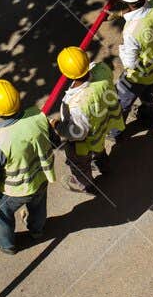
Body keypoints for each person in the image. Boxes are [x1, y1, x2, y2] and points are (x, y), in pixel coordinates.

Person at [0, 78, 56, 254]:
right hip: (41, 178)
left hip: (15, 190)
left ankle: (5, 244)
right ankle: (37, 230)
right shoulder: (38, 116)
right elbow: (54, 141)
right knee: (38, 205)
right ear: (18, 98)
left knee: (2, 215)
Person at [52, 46, 124, 193]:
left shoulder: (76, 104)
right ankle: (104, 166)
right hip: (101, 128)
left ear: (65, 74)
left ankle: (85, 184)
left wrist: (58, 125)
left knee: (80, 165)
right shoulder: (102, 70)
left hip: (84, 143)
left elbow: (77, 133)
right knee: (100, 150)